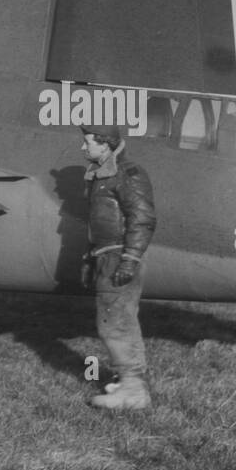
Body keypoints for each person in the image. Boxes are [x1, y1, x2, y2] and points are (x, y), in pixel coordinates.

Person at [80, 123, 157, 411]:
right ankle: (129, 381)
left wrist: (130, 259)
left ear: (105, 144)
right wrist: (90, 260)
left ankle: (133, 390)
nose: (83, 147)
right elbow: (99, 225)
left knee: (116, 322)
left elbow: (143, 219)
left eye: (88, 142)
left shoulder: (127, 174)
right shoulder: (102, 175)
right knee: (115, 318)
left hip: (118, 256)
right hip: (107, 255)